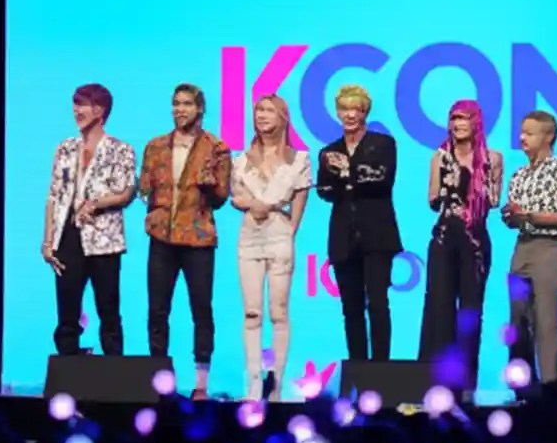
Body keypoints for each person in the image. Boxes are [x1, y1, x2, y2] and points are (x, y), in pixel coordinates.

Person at [140, 83, 232, 399]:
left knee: (201, 309)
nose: (180, 110)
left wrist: (209, 186)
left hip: (198, 239)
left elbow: (221, 197)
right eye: (176, 104)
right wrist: (152, 208)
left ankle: (201, 384)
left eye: (187, 104)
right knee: (157, 310)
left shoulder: (216, 148)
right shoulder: (156, 146)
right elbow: (144, 187)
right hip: (162, 237)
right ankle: (159, 381)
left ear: (200, 108)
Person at [41, 83, 137, 356]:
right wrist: (48, 242)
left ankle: (115, 370)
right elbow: (54, 196)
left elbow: (125, 192)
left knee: (108, 309)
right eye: (75, 104)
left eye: (83, 104)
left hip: (104, 239)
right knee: (67, 309)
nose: (76, 110)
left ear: (100, 110)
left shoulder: (120, 149)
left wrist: (94, 204)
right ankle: (68, 364)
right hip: (68, 236)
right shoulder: (65, 148)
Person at [418, 100, 503, 400]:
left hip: (475, 242)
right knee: (439, 309)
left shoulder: (492, 159)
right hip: (444, 238)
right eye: (454, 118)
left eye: (464, 118)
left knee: (469, 313)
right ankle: (434, 383)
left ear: (476, 122)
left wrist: (475, 182)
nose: (458, 124)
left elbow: (494, 201)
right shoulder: (440, 157)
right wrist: (449, 183)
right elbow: (432, 199)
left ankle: (466, 386)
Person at [231, 94, 311, 401]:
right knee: (252, 312)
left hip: (279, 235)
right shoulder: (241, 160)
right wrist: (253, 204)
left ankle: (275, 387)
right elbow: (236, 196)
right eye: (258, 110)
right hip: (250, 236)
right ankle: (253, 386)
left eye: (268, 110)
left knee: (278, 311)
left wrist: (289, 231)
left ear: (283, 117)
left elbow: (300, 198)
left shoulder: (298, 159)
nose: (261, 115)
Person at [315, 84, 401, 361]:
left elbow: (381, 181)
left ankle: (381, 368)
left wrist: (346, 173)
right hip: (343, 237)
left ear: (365, 112)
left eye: (356, 109)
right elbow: (324, 190)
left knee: (378, 304)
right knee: (351, 309)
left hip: (377, 236)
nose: (350, 115)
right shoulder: (329, 152)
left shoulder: (383, 144)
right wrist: (351, 178)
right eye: (345, 109)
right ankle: (357, 367)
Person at [502, 110, 557, 399]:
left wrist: (528, 215)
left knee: (546, 320)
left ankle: (550, 385)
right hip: (522, 248)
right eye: (522, 132)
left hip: (548, 248)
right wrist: (512, 216)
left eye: (530, 133)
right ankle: (521, 385)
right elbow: (515, 217)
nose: (522, 138)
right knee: (518, 320)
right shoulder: (519, 175)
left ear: (548, 137)